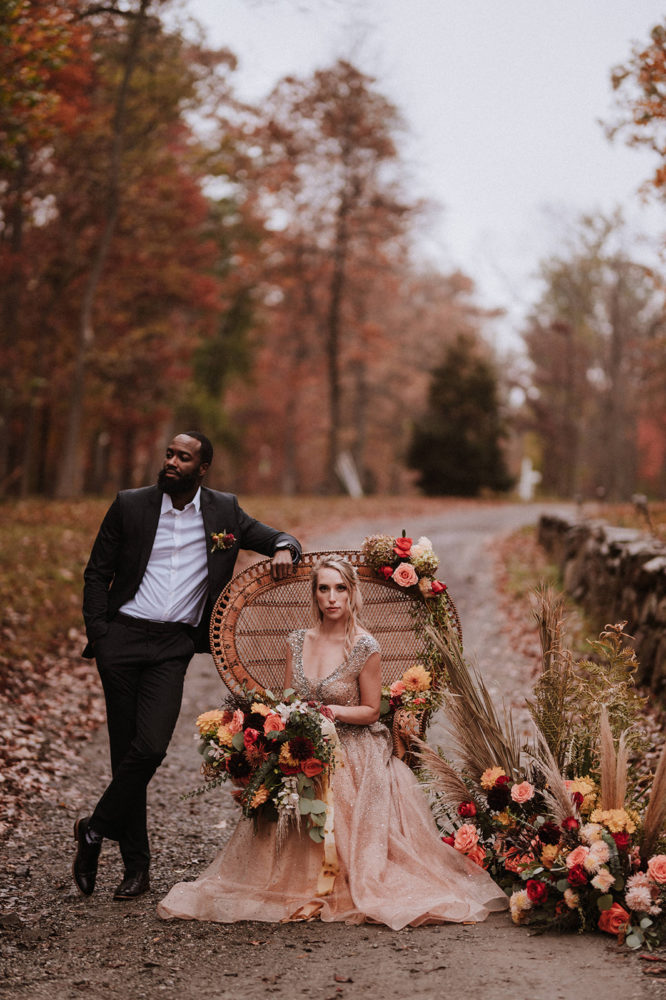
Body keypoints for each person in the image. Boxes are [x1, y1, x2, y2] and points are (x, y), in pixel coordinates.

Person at [157, 557, 508, 928]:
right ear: (314, 595)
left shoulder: (364, 646)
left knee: (337, 780)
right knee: (294, 777)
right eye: (323, 588)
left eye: (340, 588)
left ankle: (348, 873)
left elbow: (372, 710)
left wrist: (331, 712)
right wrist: (288, 724)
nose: (332, 597)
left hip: (355, 741)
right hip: (306, 737)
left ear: (352, 593)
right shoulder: (296, 641)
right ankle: (295, 875)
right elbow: (288, 697)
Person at [75, 431, 302, 901]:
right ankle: (136, 868)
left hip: (172, 646)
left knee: (151, 747)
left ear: (203, 469)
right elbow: (97, 573)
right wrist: (101, 633)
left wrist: (285, 548)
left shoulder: (223, 511)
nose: (172, 462)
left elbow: (276, 536)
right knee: (126, 753)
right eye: (170, 454)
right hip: (121, 638)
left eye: (184, 457)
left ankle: (94, 830)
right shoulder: (131, 505)